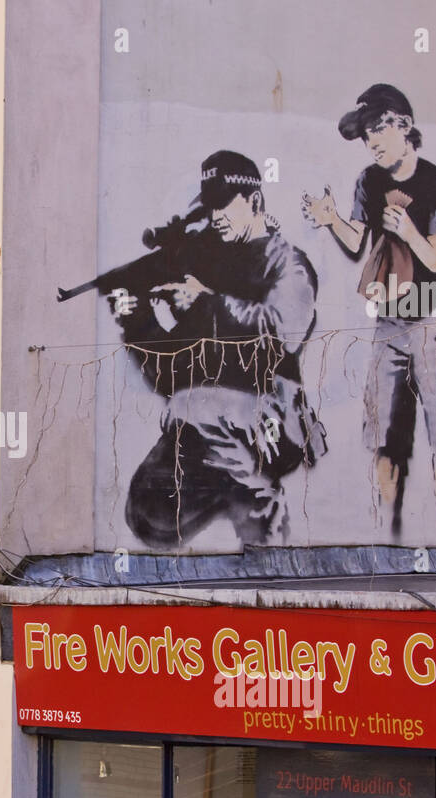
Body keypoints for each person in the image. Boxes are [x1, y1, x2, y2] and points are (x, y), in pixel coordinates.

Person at [111, 150, 326, 548]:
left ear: (255, 201)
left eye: (225, 204)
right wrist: (144, 319)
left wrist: (208, 302)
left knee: (196, 405)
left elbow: (284, 333)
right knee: (146, 508)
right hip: (208, 417)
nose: (216, 216)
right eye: (211, 207)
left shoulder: (289, 262)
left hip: (272, 417)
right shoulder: (209, 262)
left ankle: (262, 507)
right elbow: (179, 361)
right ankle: (239, 492)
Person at [302, 84, 436, 540]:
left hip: (434, 314)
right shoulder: (369, 181)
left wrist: (410, 232)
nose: (371, 142)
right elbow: (357, 241)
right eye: (365, 135)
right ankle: (384, 536)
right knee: (382, 431)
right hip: (389, 316)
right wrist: (331, 217)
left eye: (377, 129)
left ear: (404, 126)